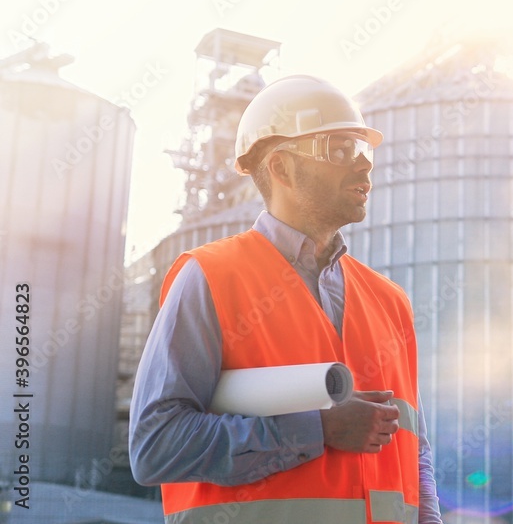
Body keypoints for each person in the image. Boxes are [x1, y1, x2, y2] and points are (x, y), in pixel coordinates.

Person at [129, 75, 442, 524]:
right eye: (339, 149)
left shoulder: (389, 300)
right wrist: (318, 430)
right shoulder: (211, 277)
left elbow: (416, 454)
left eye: (364, 150)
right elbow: (154, 446)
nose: (364, 166)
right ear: (281, 168)